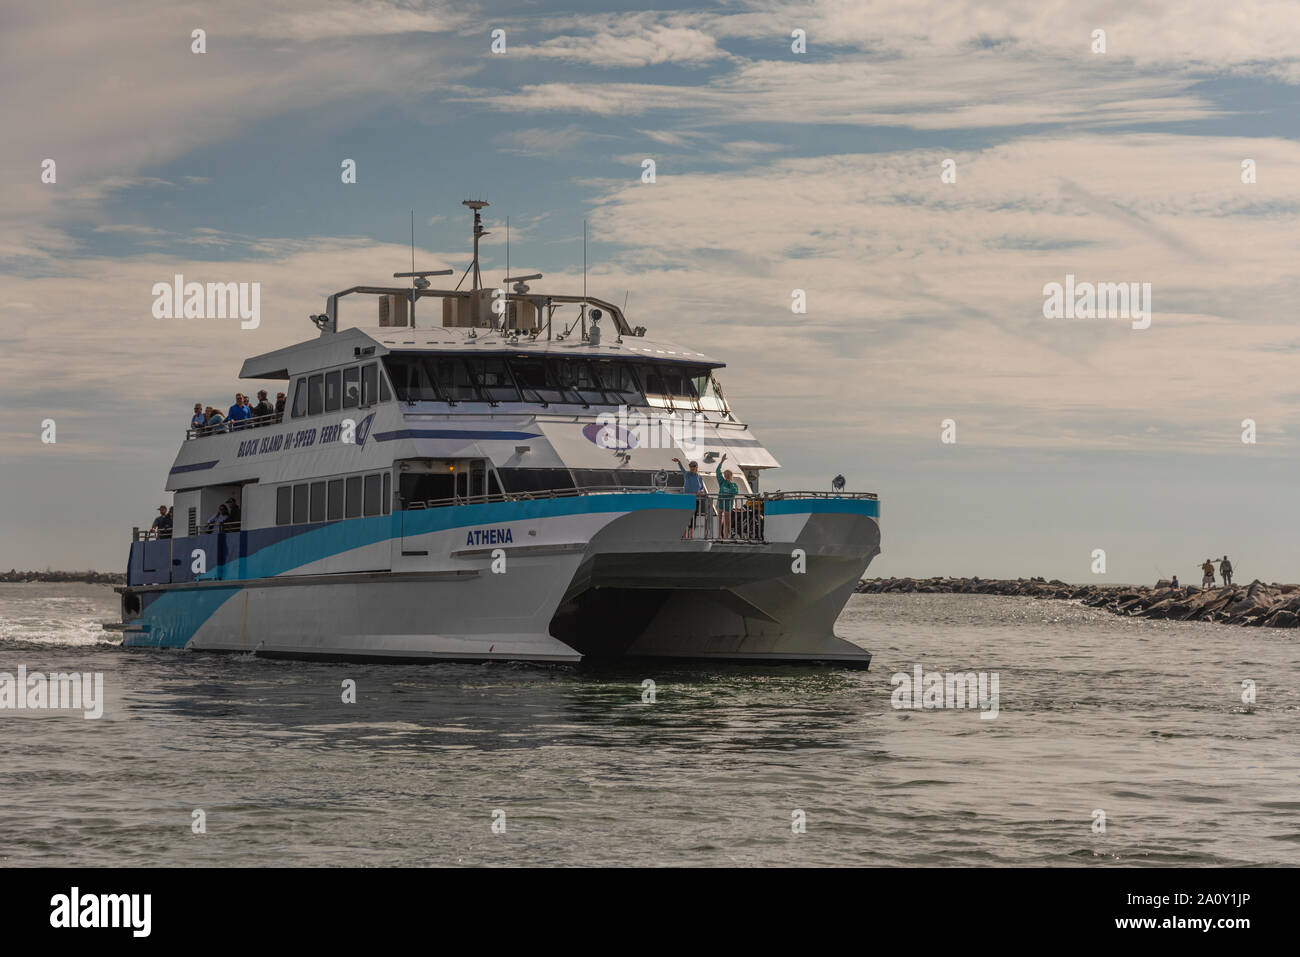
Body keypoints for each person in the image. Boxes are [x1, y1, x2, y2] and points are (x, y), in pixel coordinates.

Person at [672, 457, 706, 539]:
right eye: (691, 467)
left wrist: (701, 492)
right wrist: (679, 462)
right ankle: (684, 534)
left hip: (696, 500)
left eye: (693, 467)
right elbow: (682, 469)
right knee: (685, 516)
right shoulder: (687, 474)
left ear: (696, 467)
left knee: (693, 517)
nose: (692, 468)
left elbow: (702, 488)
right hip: (687, 499)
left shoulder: (699, 477)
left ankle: (690, 535)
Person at [716, 453, 739, 538]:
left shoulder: (733, 484)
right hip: (721, 503)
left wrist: (730, 483)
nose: (726, 476)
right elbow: (718, 472)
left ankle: (726, 536)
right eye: (725, 475)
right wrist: (721, 461)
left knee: (726, 521)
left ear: (731, 476)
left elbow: (735, 492)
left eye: (728, 475)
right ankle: (719, 535)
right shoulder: (722, 482)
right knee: (719, 520)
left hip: (728, 505)